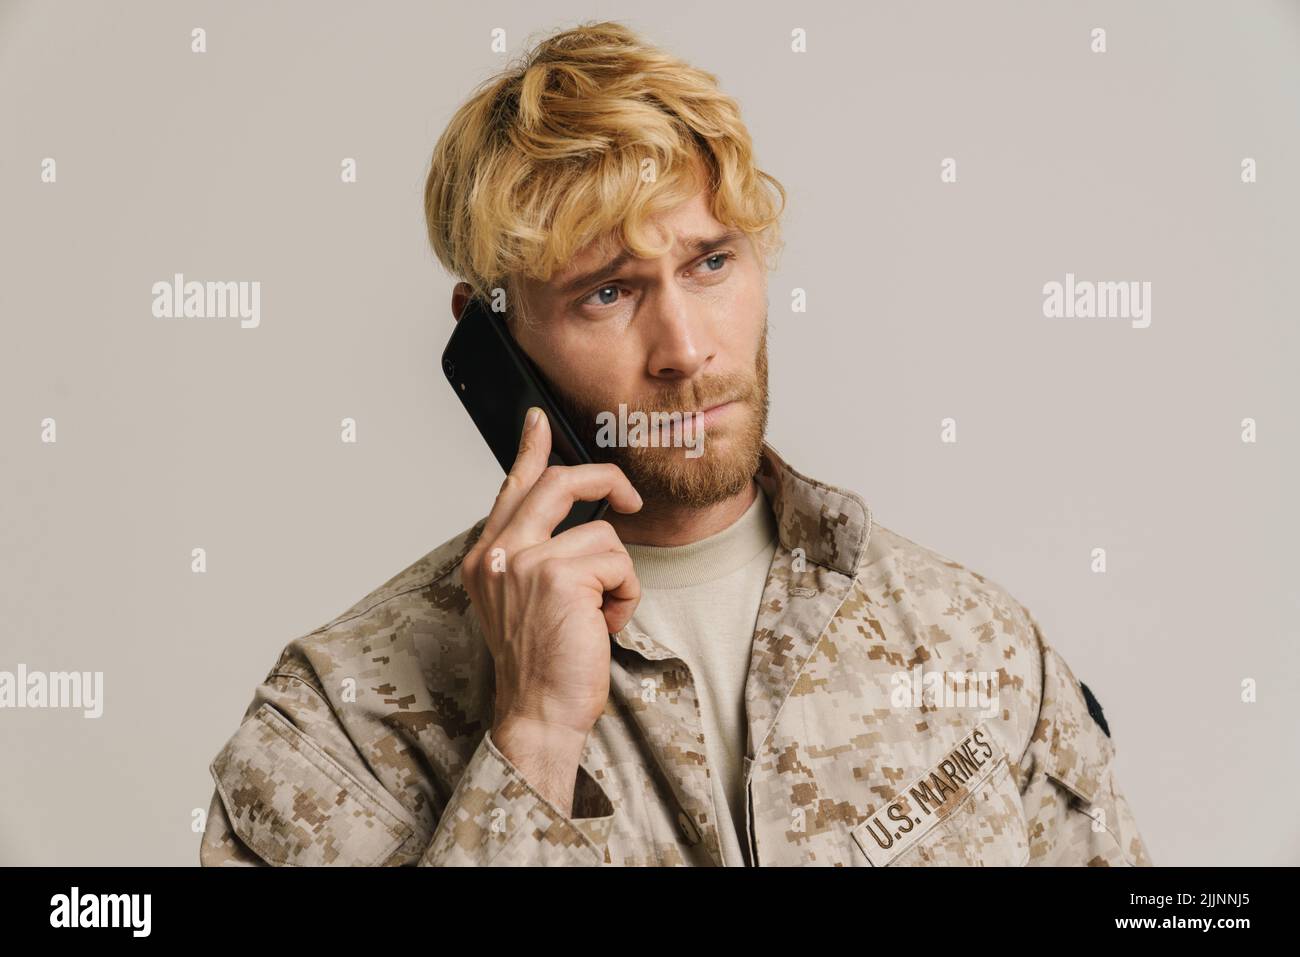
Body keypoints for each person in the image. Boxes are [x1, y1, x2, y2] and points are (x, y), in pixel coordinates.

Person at [200, 20, 1151, 867]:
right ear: (489, 336)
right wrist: (530, 737)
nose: (687, 349)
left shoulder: (973, 638)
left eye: (711, 263)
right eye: (607, 292)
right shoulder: (337, 725)